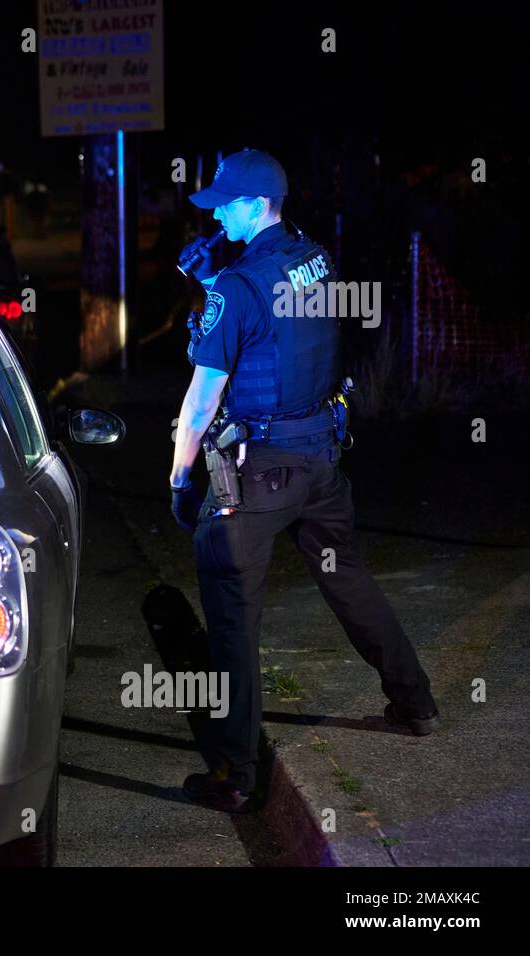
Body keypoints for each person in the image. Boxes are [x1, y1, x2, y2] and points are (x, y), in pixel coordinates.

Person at [168, 149, 439, 812]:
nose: (217, 214)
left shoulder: (236, 289)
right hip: (321, 459)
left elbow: (202, 400)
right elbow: (282, 332)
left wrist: (180, 474)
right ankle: (415, 702)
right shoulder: (313, 257)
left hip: (257, 473)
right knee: (351, 584)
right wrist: (217, 289)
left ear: (257, 203)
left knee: (233, 618)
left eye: (228, 204)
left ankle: (236, 774)